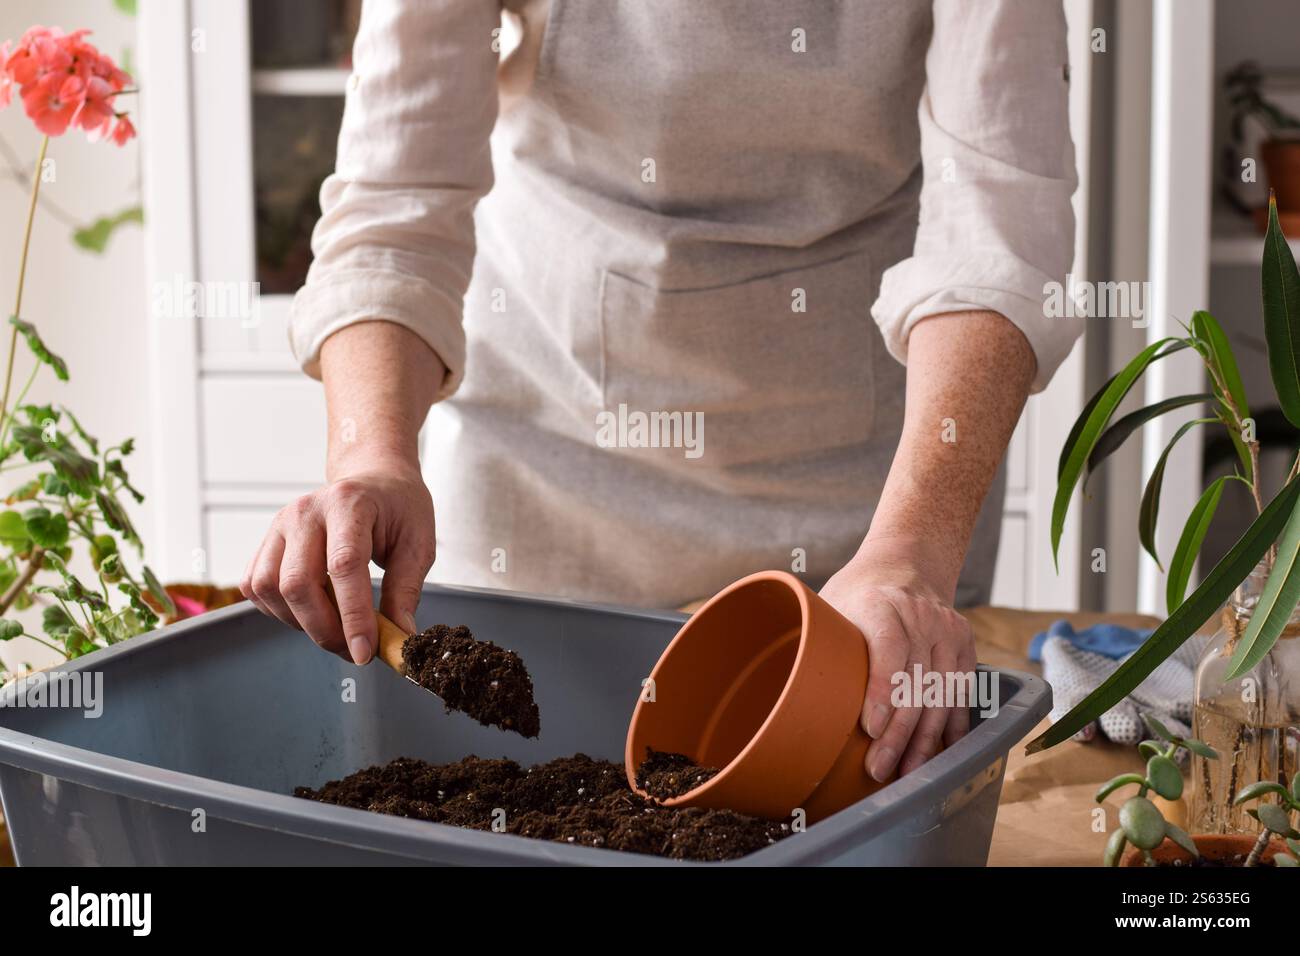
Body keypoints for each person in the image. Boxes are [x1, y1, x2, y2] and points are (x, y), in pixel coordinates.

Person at [241, 0, 1080, 783]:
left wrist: (912, 554)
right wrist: (375, 455)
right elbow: (397, 199)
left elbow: (996, 223)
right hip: (543, 470)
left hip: (870, 508)